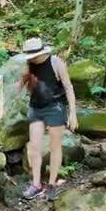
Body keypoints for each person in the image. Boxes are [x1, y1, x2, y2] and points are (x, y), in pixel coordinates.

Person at [17, 38, 78, 200]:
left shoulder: (56, 62)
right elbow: (23, 82)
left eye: (34, 56)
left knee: (54, 147)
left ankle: (51, 185)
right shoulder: (30, 64)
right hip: (35, 108)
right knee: (34, 147)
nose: (31, 59)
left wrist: (73, 113)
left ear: (42, 53)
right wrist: (18, 86)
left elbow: (68, 87)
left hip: (55, 108)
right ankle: (36, 184)